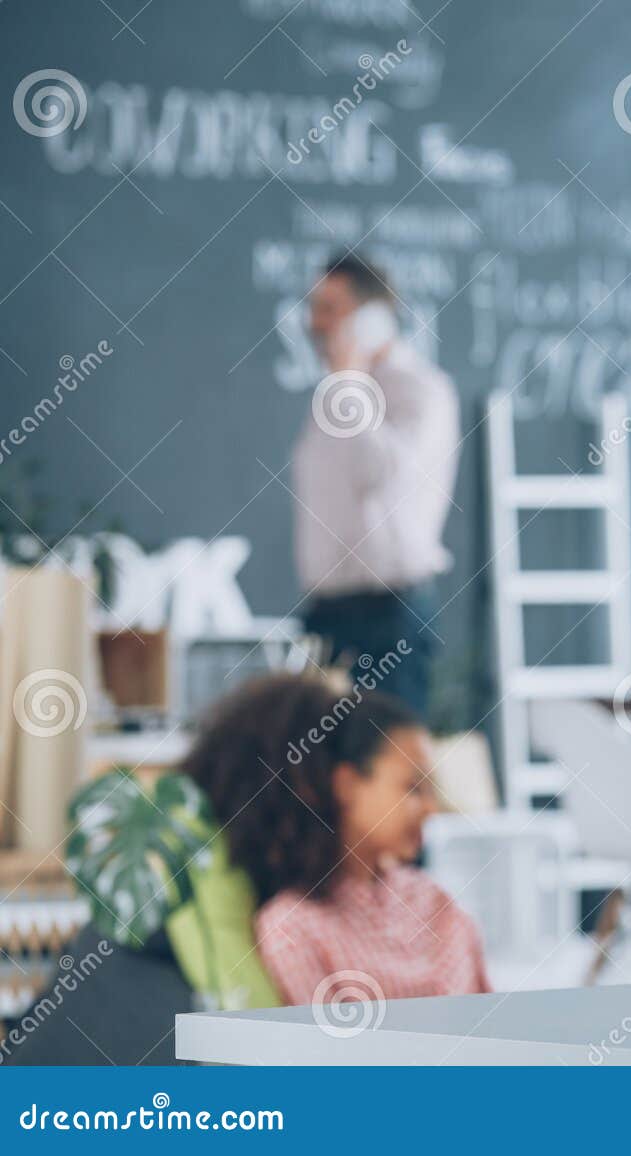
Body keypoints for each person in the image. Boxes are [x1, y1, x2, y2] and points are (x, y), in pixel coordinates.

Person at [182, 673, 490, 1005]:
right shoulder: (294, 929)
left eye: (431, 788)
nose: (431, 808)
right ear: (345, 784)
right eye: (412, 787)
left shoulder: (433, 901)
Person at [293, 251, 460, 716]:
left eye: (330, 308)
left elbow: (380, 472)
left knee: (388, 770)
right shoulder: (335, 392)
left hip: (389, 616)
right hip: (328, 614)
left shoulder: (421, 389)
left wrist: (348, 379)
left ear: (373, 319)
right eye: (313, 307)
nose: (315, 323)